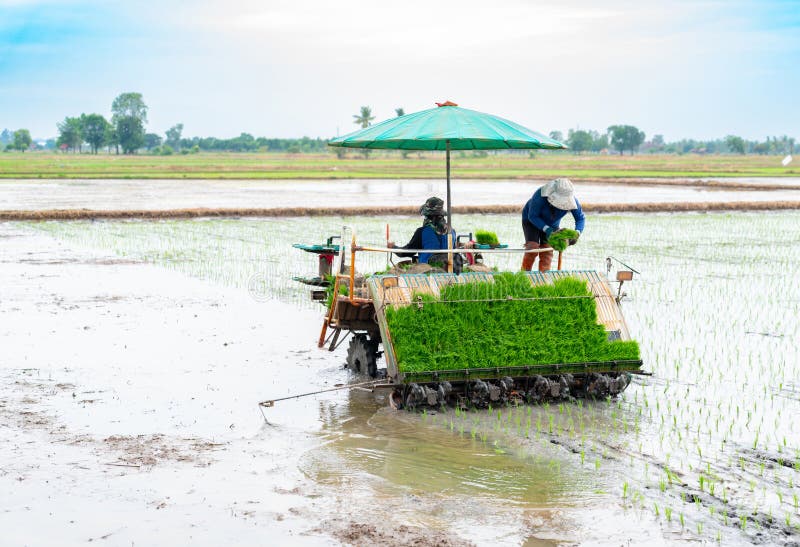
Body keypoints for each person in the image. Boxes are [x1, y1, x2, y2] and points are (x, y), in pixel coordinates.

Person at [521, 178, 585, 272]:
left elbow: (580, 218)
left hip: (552, 224)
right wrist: (547, 230)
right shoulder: (540, 195)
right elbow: (533, 216)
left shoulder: (572, 202)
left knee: (547, 250)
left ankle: (543, 278)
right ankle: (524, 274)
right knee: (532, 248)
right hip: (531, 221)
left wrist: (577, 233)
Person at [389, 197, 460, 271]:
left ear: (428, 216)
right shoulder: (452, 231)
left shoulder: (422, 232)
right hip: (450, 269)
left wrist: (393, 247)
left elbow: (406, 252)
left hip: (428, 271)